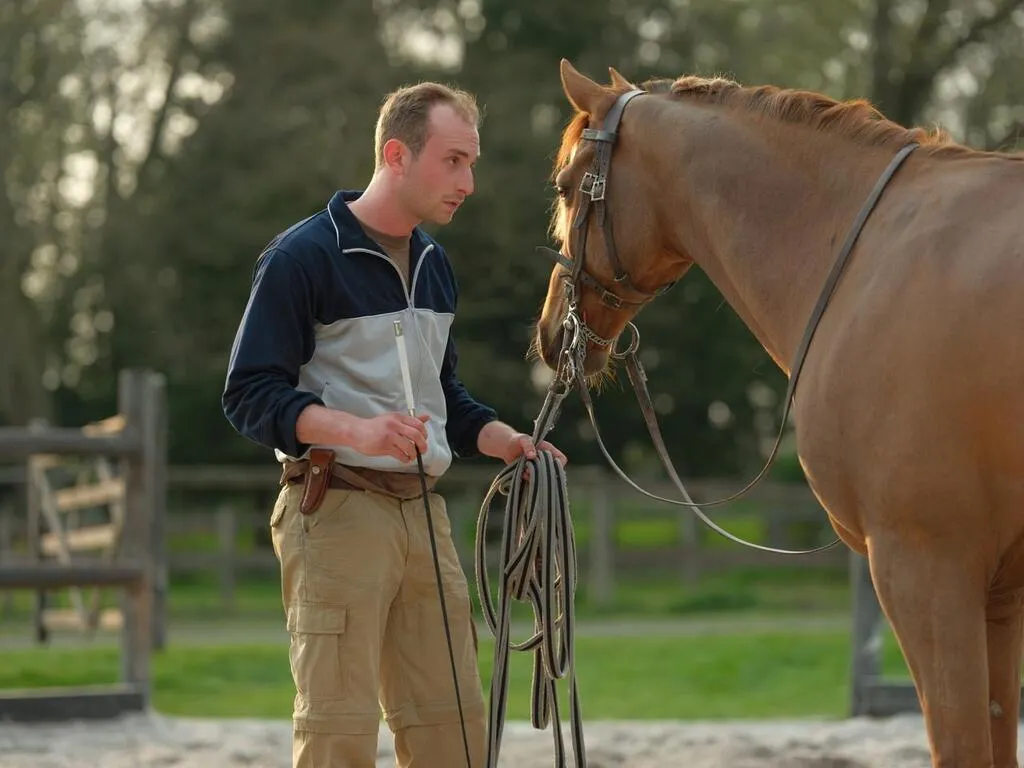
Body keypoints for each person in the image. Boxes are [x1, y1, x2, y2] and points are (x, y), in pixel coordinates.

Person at [221, 81, 566, 768]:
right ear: (397, 154)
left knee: (456, 732)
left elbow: (444, 396)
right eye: (454, 160)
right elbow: (249, 394)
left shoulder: (436, 267)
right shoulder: (302, 258)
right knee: (338, 734)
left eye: (472, 162)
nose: (468, 181)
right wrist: (356, 431)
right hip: (335, 512)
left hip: (424, 521)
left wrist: (506, 443)